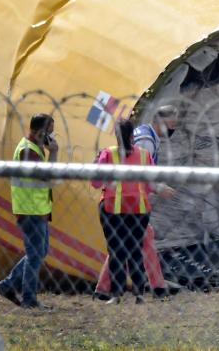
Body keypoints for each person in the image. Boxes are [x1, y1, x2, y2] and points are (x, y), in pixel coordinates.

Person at [95, 105, 179, 299]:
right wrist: (158, 188)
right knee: (132, 244)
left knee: (123, 245)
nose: (174, 128)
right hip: (132, 203)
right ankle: (153, 287)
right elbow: (143, 174)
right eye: (172, 124)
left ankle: (106, 289)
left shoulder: (146, 136)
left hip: (123, 202)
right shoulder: (146, 143)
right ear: (161, 122)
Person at [0, 113, 58, 309]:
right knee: (34, 254)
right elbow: (46, 177)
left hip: (38, 209)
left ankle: (7, 285)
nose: (51, 137)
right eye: (49, 133)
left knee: (40, 251)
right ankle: (29, 298)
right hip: (30, 210)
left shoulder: (34, 148)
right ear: (40, 132)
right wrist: (54, 153)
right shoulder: (28, 151)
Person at [91, 119, 153, 304]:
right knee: (135, 250)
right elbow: (150, 185)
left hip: (112, 209)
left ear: (116, 135)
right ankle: (139, 293)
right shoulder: (144, 155)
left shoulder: (107, 154)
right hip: (138, 209)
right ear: (132, 134)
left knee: (116, 251)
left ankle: (116, 294)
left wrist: (95, 163)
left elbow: (95, 183)